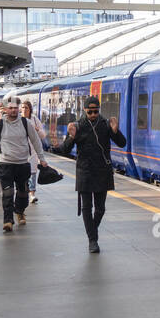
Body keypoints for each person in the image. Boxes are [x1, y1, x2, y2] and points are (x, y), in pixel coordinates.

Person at [54, 95, 126, 253]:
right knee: (87, 208)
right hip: (84, 171)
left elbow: (122, 143)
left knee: (100, 209)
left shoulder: (105, 125)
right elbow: (65, 150)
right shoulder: (77, 126)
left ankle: (92, 231)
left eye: (95, 111)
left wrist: (115, 131)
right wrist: (71, 137)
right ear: (85, 111)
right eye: (90, 112)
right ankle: (92, 240)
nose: (93, 114)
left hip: (102, 170)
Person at [0, 95, 48, 234]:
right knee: (7, 193)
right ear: (5, 109)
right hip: (6, 164)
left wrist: (41, 158)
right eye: (10, 108)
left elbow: (36, 141)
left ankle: (19, 211)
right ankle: (7, 221)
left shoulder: (26, 123)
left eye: (15, 108)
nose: (13, 110)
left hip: (22, 164)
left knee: (23, 193)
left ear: (18, 109)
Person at [21, 100, 46, 204]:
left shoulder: (34, 119)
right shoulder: (17, 120)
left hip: (33, 151)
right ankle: (22, 192)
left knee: (32, 173)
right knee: (22, 174)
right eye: (22, 107)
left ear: (30, 109)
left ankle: (32, 194)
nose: (24, 109)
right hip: (20, 152)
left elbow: (43, 135)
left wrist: (37, 130)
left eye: (26, 107)